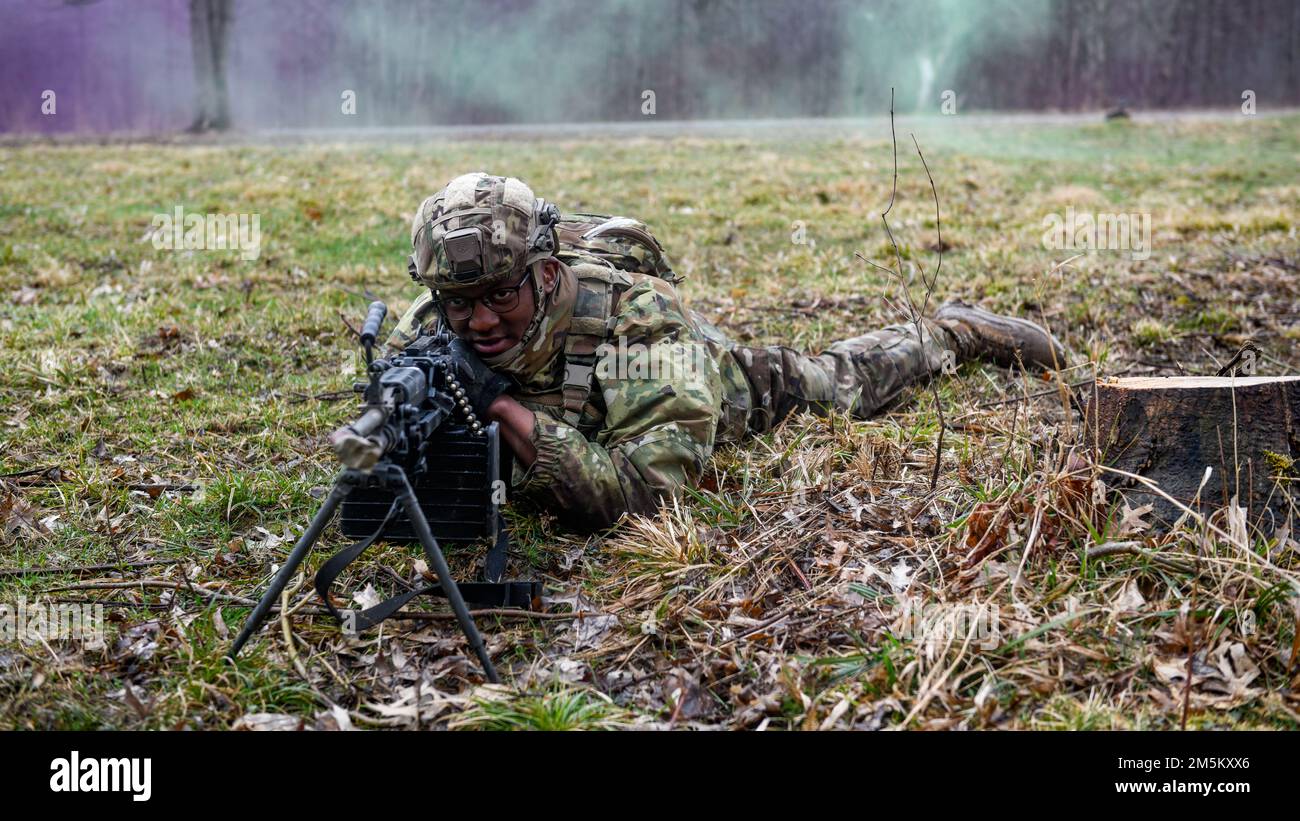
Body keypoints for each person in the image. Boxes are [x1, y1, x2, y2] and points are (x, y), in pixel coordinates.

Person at [387, 173, 1065, 531]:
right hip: (596, 420)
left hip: (721, 386)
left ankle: (954, 331)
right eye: (458, 301)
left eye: (500, 295)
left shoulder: (636, 324)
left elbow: (650, 494)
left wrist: (506, 410)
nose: (477, 320)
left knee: (840, 381)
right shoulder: (437, 319)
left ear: (542, 270)